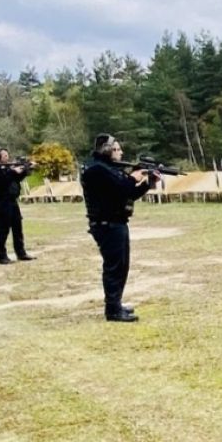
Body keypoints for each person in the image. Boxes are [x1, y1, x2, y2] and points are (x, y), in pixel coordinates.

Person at [80, 133, 151, 322]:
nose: (121, 152)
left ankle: (116, 304)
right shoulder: (97, 170)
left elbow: (127, 194)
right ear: (107, 150)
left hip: (116, 222)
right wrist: (133, 177)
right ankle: (112, 310)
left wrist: (148, 183)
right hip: (107, 224)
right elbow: (123, 187)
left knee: (122, 266)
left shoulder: (107, 168)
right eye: (117, 149)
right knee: (114, 267)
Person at [0, 148, 37, 264]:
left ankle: (21, 253)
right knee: (3, 229)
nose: (8, 158)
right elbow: (1, 182)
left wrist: (26, 169)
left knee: (17, 227)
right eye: (5, 155)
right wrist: (13, 171)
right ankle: (2, 256)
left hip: (12, 201)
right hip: (3, 201)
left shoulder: (7, 168)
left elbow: (15, 179)